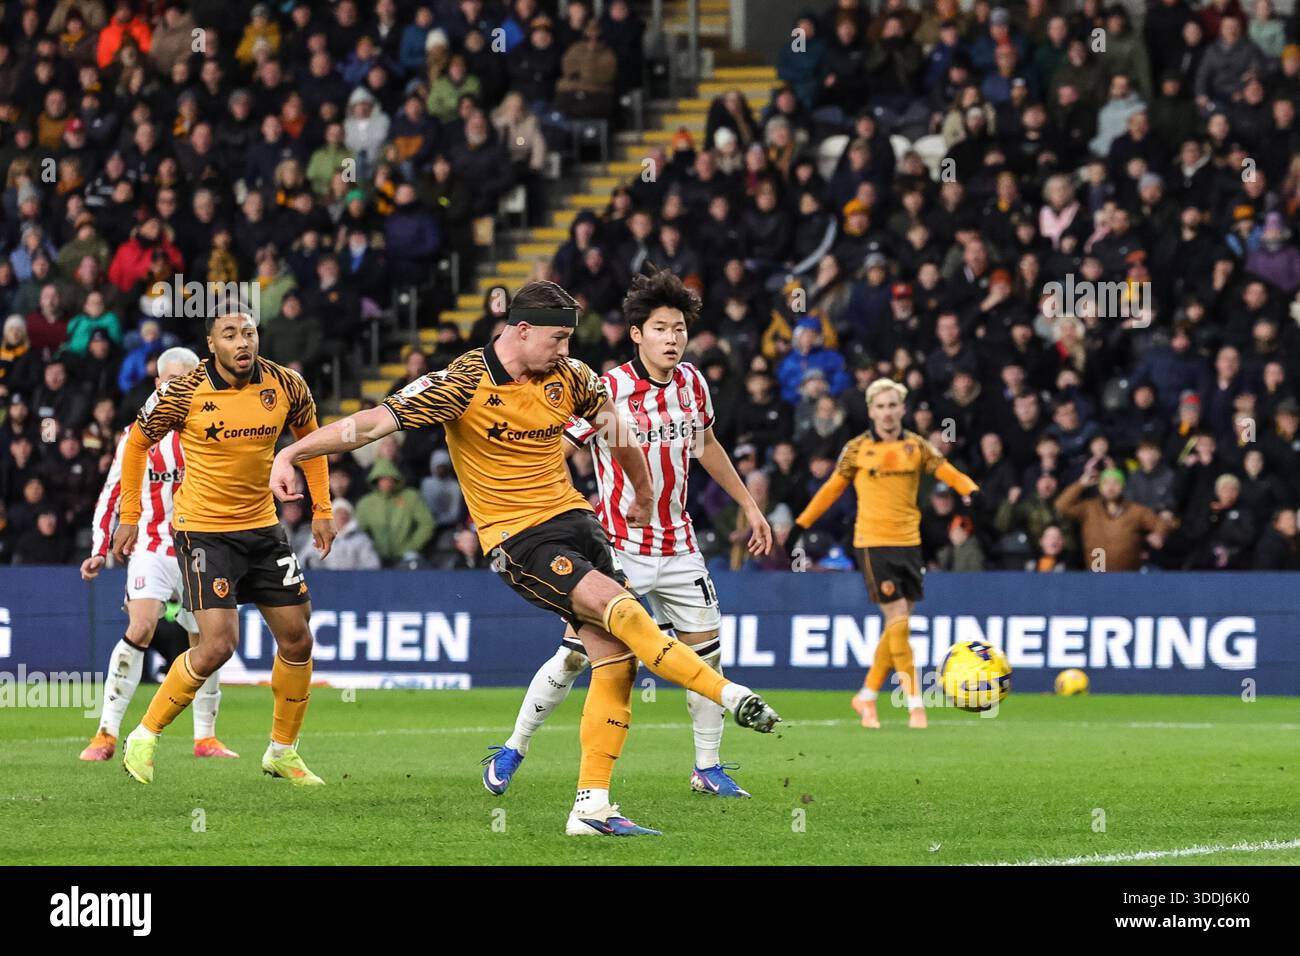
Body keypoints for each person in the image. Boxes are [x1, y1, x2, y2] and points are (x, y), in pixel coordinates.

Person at [271, 279, 781, 837]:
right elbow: (368, 424)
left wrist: (638, 490)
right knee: (621, 612)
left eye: (569, 338)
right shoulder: (460, 383)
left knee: (615, 661)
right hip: (519, 539)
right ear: (522, 330)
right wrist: (294, 451)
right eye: (558, 338)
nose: (565, 349)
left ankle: (591, 808)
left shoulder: (573, 378)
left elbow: (618, 431)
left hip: (577, 523)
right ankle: (730, 694)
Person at [485, 269, 774, 801]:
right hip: (618, 549)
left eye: (680, 329)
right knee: (577, 655)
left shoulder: (693, 385)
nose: (673, 339)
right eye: (661, 328)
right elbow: (559, 445)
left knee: (706, 655)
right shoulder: (607, 388)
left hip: (681, 546)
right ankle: (513, 746)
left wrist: (750, 507)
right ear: (637, 334)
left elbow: (706, 446)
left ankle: (706, 768)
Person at [111, 309, 335, 786]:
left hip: (262, 528)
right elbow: (135, 445)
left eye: (249, 333)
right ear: (212, 345)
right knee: (217, 645)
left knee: (298, 637)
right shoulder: (184, 391)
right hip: (204, 531)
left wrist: (324, 510)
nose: (242, 342)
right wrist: (129, 516)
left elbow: (311, 441)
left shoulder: (287, 385)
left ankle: (282, 751)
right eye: (230, 335)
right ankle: (145, 734)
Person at [78, 347, 239, 762]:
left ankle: (205, 737)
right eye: (172, 381)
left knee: (207, 638)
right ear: (157, 384)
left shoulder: (215, 428)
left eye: (187, 381)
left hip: (202, 548)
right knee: (143, 625)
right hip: (152, 547)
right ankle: (106, 733)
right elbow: (112, 492)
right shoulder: (137, 435)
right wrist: (99, 548)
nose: (179, 388)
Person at [793, 379, 979, 729]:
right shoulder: (857, 449)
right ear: (870, 410)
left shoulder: (917, 447)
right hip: (873, 542)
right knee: (898, 621)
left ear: (902, 409)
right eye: (880, 406)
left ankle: (865, 696)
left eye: (892, 405)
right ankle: (914, 705)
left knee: (896, 625)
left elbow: (946, 471)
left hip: (909, 543)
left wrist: (970, 489)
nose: (887, 412)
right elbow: (832, 488)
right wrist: (801, 524)